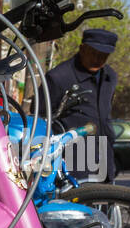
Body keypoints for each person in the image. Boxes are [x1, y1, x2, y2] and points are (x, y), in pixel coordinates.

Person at [44, 27, 119, 182]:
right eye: (94, 53)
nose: (98, 59)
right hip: (72, 165)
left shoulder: (110, 77)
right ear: (82, 49)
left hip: (104, 162)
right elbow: (40, 120)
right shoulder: (58, 77)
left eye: (104, 56)